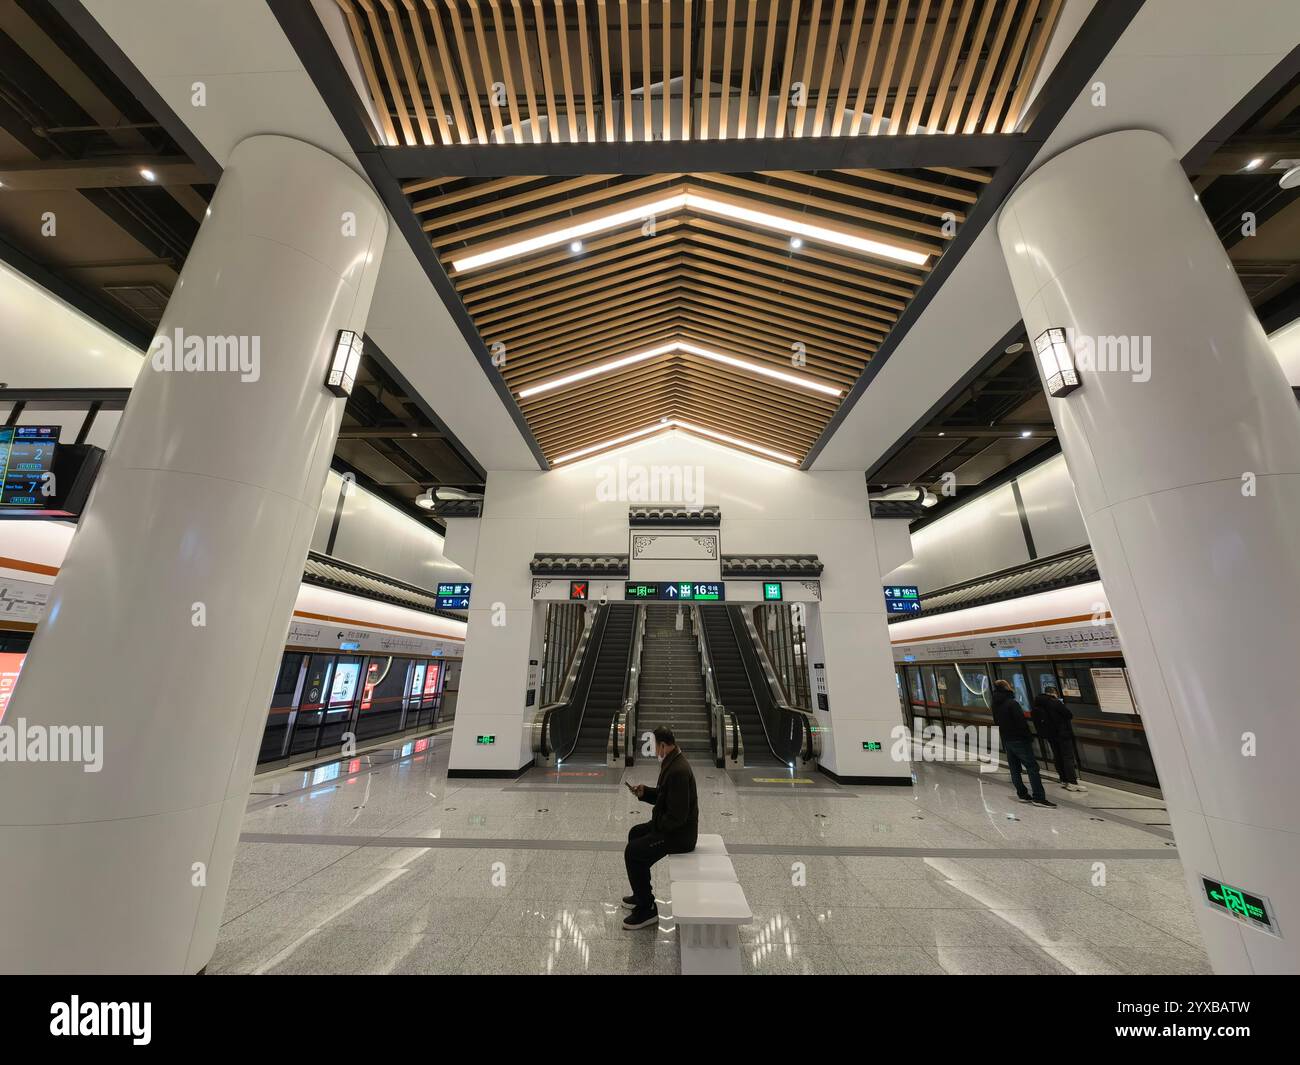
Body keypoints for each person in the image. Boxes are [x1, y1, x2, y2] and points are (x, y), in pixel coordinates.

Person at [621, 726, 699, 930]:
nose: (655, 751)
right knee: (635, 833)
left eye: (655, 746)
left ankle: (648, 910)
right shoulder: (672, 763)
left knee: (634, 852)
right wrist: (644, 793)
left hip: (679, 835)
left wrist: (656, 829)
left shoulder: (678, 770)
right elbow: (665, 796)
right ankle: (641, 894)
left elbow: (678, 817)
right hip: (670, 826)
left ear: (663, 745)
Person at [990, 679, 1056, 808]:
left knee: (1014, 769)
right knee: (1032, 768)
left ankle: (1022, 794)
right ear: (1006, 688)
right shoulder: (1012, 703)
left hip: (1007, 739)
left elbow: (997, 721)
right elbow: (1020, 722)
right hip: (1019, 739)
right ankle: (1039, 797)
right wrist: (1028, 737)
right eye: (1009, 685)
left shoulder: (995, 704)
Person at [1032, 685, 1086, 792]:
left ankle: (1063, 779)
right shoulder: (1055, 702)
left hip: (1050, 735)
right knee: (1067, 757)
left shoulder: (1037, 704)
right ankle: (1072, 782)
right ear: (1053, 693)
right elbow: (1068, 715)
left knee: (1057, 756)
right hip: (1062, 734)